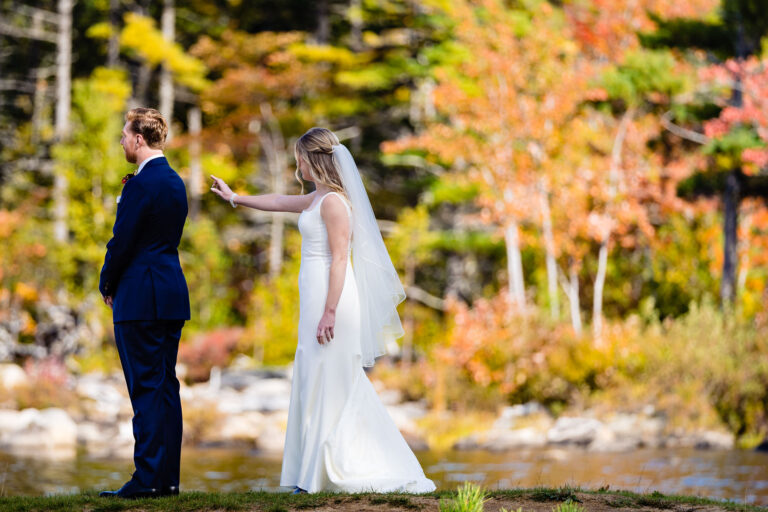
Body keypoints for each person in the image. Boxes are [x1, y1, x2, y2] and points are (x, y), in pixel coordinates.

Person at [210, 127, 435, 494]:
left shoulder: (334, 204)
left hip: (334, 303)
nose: (298, 165)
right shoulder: (317, 198)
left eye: (300, 158)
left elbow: (339, 261)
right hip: (315, 299)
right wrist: (237, 198)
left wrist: (329, 311)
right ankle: (310, 473)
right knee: (315, 377)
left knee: (332, 379)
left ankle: (326, 473)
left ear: (314, 158)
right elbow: (281, 202)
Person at [99, 107, 190, 499]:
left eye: (124, 135)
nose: (121, 140)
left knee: (145, 389)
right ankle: (167, 477)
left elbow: (123, 241)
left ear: (139, 139)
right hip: (170, 293)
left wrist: (107, 281)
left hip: (140, 297)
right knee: (166, 387)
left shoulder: (140, 185)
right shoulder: (176, 182)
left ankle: (147, 479)